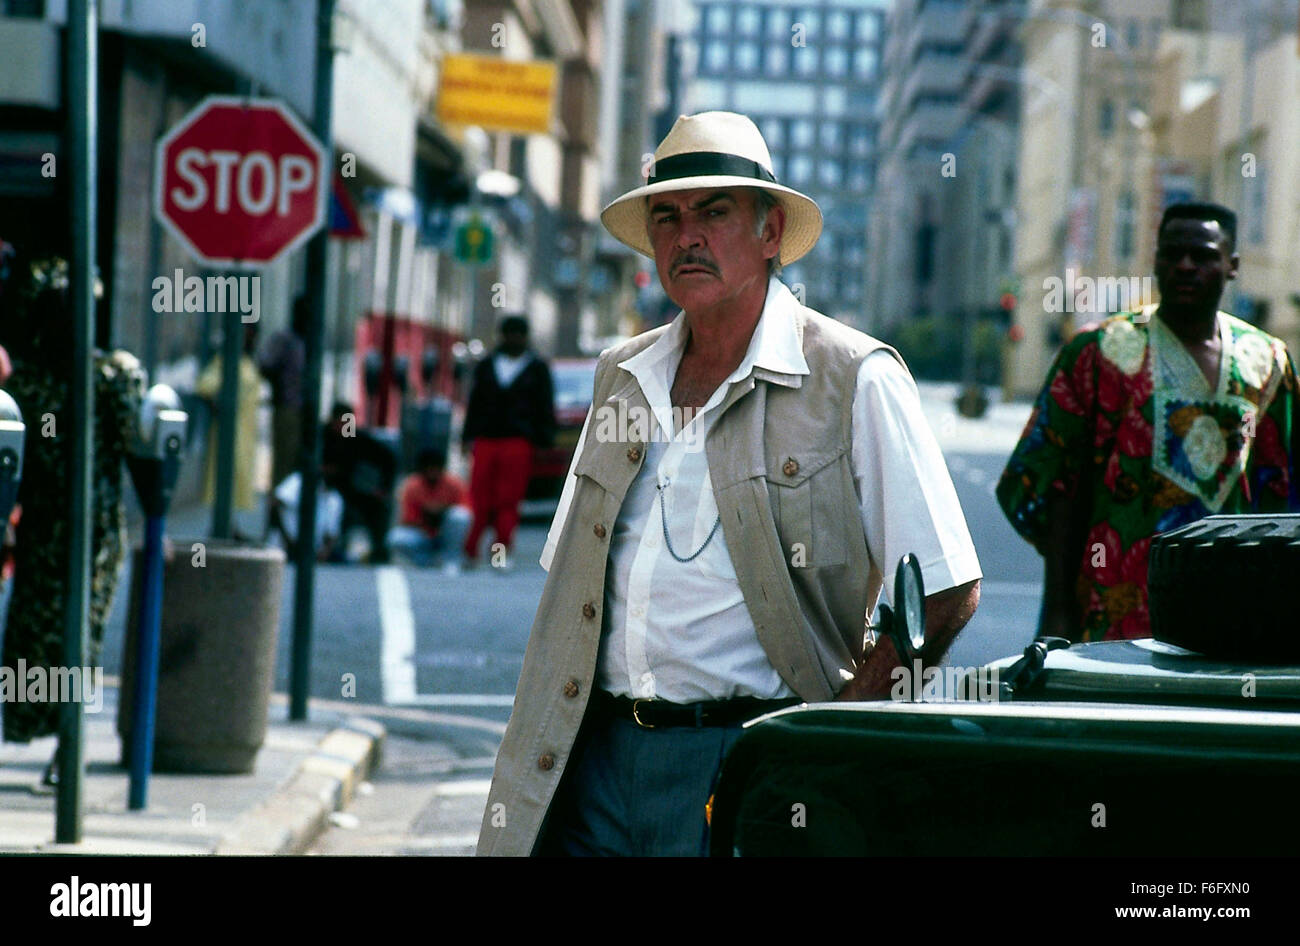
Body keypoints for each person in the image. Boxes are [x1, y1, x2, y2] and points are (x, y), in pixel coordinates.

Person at [476, 111, 982, 857]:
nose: (688, 236)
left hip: (747, 758)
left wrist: (826, 740)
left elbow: (946, 591)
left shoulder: (852, 377)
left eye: (714, 212)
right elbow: (575, 589)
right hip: (593, 759)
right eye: (668, 217)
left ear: (771, 232)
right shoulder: (624, 375)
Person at [997, 202, 1298, 641]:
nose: (1185, 266)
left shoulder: (1268, 363)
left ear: (1232, 266)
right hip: (1113, 608)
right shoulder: (1098, 352)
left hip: (1236, 613)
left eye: (1203, 255)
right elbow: (1060, 487)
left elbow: (1284, 496)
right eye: (1171, 253)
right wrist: (1058, 611)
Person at [0, 254, 145, 769]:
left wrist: (158, 520)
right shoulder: (28, 387)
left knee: (81, 637)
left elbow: (137, 451)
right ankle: (47, 728)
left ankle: (70, 747)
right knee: (35, 640)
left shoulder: (110, 377)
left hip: (97, 532)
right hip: (42, 531)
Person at [460, 315, 555, 564]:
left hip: (518, 441)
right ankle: (470, 551)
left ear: (525, 337)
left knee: (508, 499)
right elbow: (474, 403)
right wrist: (466, 436)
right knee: (479, 497)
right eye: (509, 334)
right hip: (486, 439)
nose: (513, 339)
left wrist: (544, 441)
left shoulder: (537, 368)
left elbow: (544, 406)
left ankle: (500, 551)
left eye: (517, 335)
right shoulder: (486, 365)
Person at [195, 322, 262, 523]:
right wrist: (217, 406)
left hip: (246, 431)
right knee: (228, 477)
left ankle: (231, 524)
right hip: (230, 431)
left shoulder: (247, 361)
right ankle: (224, 523)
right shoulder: (225, 360)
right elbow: (204, 386)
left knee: (240, 479)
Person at [322, 401, 398, 563]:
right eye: (340, 422)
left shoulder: (353, 438)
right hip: (324, 490)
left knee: (378, 507)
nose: (343, 426)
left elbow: (388, 459)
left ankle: (378, 551)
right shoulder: (321, 437)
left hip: (351, 490)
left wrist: (384, 487)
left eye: (347, 422)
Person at [387, 448, 471, 573]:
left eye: (436, 468)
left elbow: (467, 509)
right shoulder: (412, 486)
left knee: (460, 516)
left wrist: (443, 510)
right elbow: (407, 520)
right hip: (423, 533)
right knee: (396, 538)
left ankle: (451, 558)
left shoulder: (453, 484)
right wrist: (426, 516)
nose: (433, 472)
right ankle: (426, 560)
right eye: (429, 468)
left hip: (445, 533)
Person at [258, 296, 307, 504]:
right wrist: (280, 387)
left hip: (303, 410)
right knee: (283, 466)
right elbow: (265, 364)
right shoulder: (284, 339)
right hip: (286, 408)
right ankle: (275, 517)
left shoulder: (306, 340)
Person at [269, 463, 344, 562]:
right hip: (284, 549)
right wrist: (286, 538)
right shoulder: (298, 481)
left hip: (311, 554)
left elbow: (332, 534)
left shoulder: (335, 499)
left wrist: (324, 553)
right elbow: (274, 504)